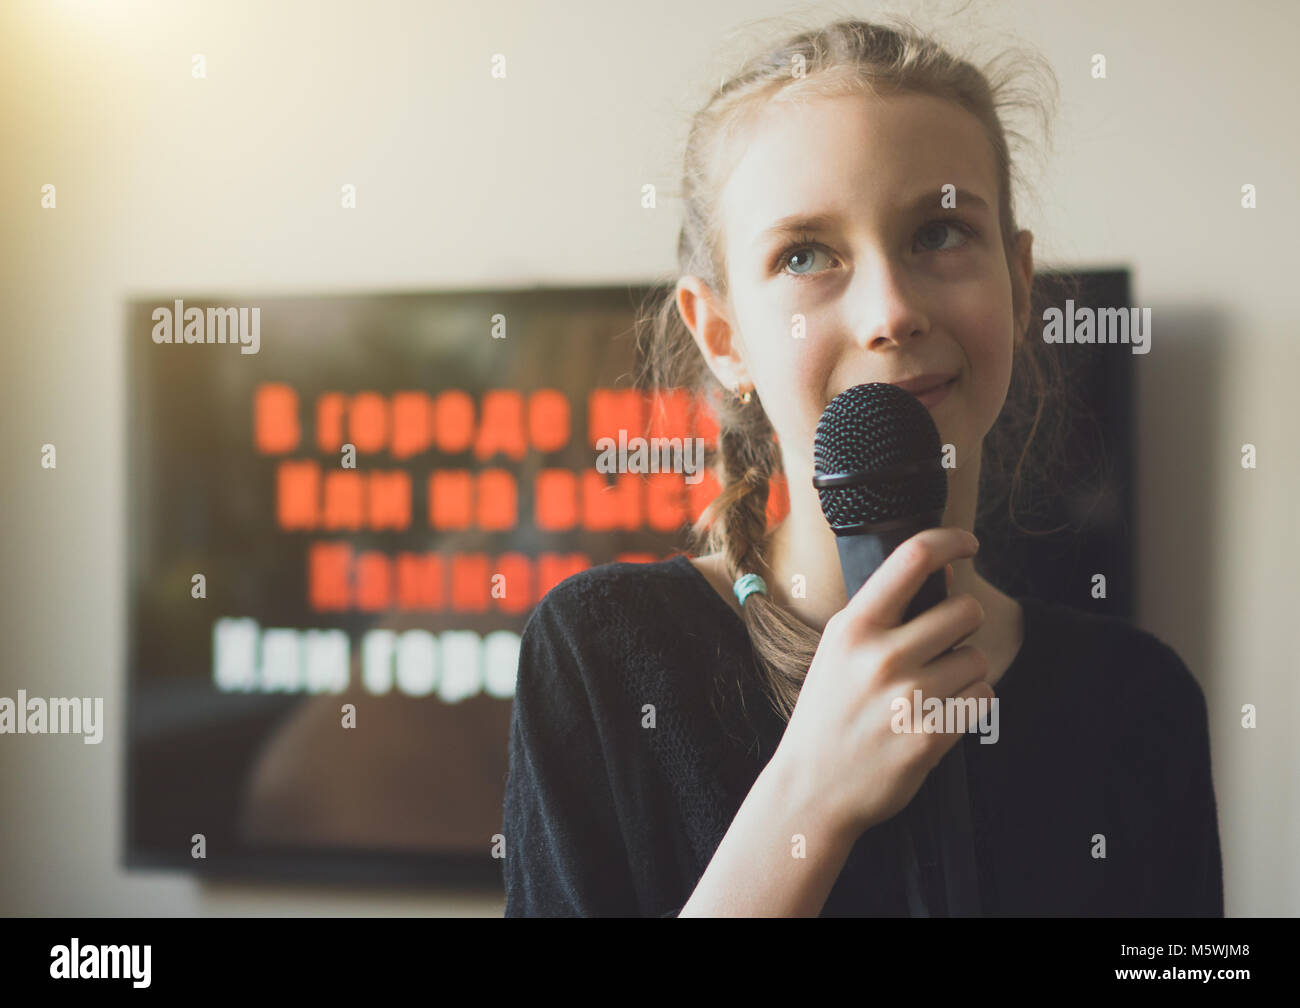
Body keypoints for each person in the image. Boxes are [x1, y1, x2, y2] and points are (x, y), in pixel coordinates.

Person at [502, 16, 1223, 917]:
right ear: (723, 337)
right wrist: (812, 793)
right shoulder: (604, 655)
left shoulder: (1138, 701)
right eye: (805, 255)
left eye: (939, 234)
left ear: (1018, 278)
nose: (891, 309)